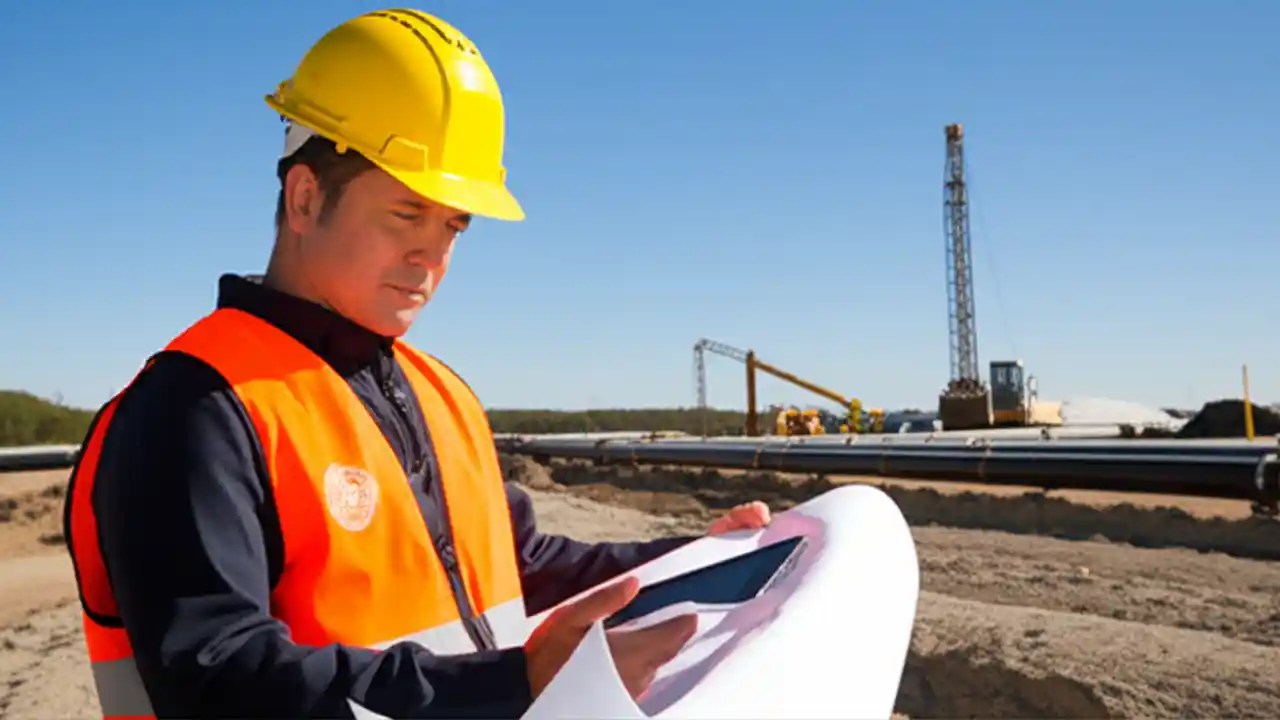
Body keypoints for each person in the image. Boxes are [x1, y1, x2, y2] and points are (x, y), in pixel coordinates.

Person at [62, 9, 771, 720]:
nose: (430, 255)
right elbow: (220, 677)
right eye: (407, 214)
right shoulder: (193, 409)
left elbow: (521, 563)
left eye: (454, 225)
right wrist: (513, 683)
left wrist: (694, 559)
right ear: (305, 198)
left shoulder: (439, 392)